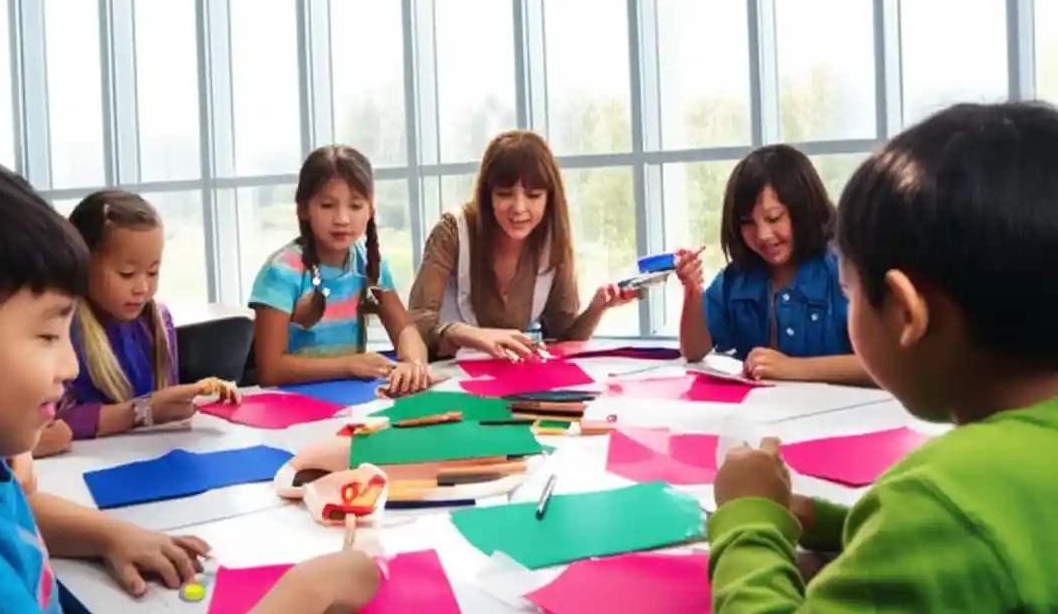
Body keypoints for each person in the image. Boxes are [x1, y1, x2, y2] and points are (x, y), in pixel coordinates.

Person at [0, 157, 382, 613]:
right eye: (47, 336)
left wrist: (109, 534)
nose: (69, 366)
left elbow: (13, 515)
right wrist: (303, 592)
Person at [708, 102, 1058, 611]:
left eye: (850, 291)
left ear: (906, 310)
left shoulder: (940, 504)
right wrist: (830, 522)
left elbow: (947, 528)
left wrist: (749, 516)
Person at [408, 130, 637, 360]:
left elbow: (562, 339)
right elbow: (416, 322)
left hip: (512, 381)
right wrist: (463, 333)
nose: (518, 208)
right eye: (504, 194)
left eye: (534, 195)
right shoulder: (453, 231)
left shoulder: (551, 241)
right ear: (487, 196)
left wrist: (597, 308)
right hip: (447, 378)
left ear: (549, 198)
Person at [674, 144, 870, 385]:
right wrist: (692, 292)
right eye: (748, 222)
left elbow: (888, 363)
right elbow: (693, 351)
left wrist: (793, 368)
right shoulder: (737, 279)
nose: (763, 235)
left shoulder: (845, 270)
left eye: (774, 218)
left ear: (803, 210)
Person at [57, 190, 239, 440]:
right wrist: (142, 412)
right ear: (83, 261)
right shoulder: (62, 328)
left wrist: (192, 395)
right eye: (127, 273)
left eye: (153, 272)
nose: (143, 288)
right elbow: (50, 426)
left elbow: (165, 408)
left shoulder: (157, 320)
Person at [250, 146, 431, 394]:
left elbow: (405, 330)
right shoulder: (282, 271)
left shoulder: (370, 265)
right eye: (327, 205)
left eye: (355, 206)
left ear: (370, 210)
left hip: (350, 404)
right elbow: (271, 370)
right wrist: (350, 365)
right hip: (292, 407)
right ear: (303, 208)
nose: (342, 219)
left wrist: (413, 363)